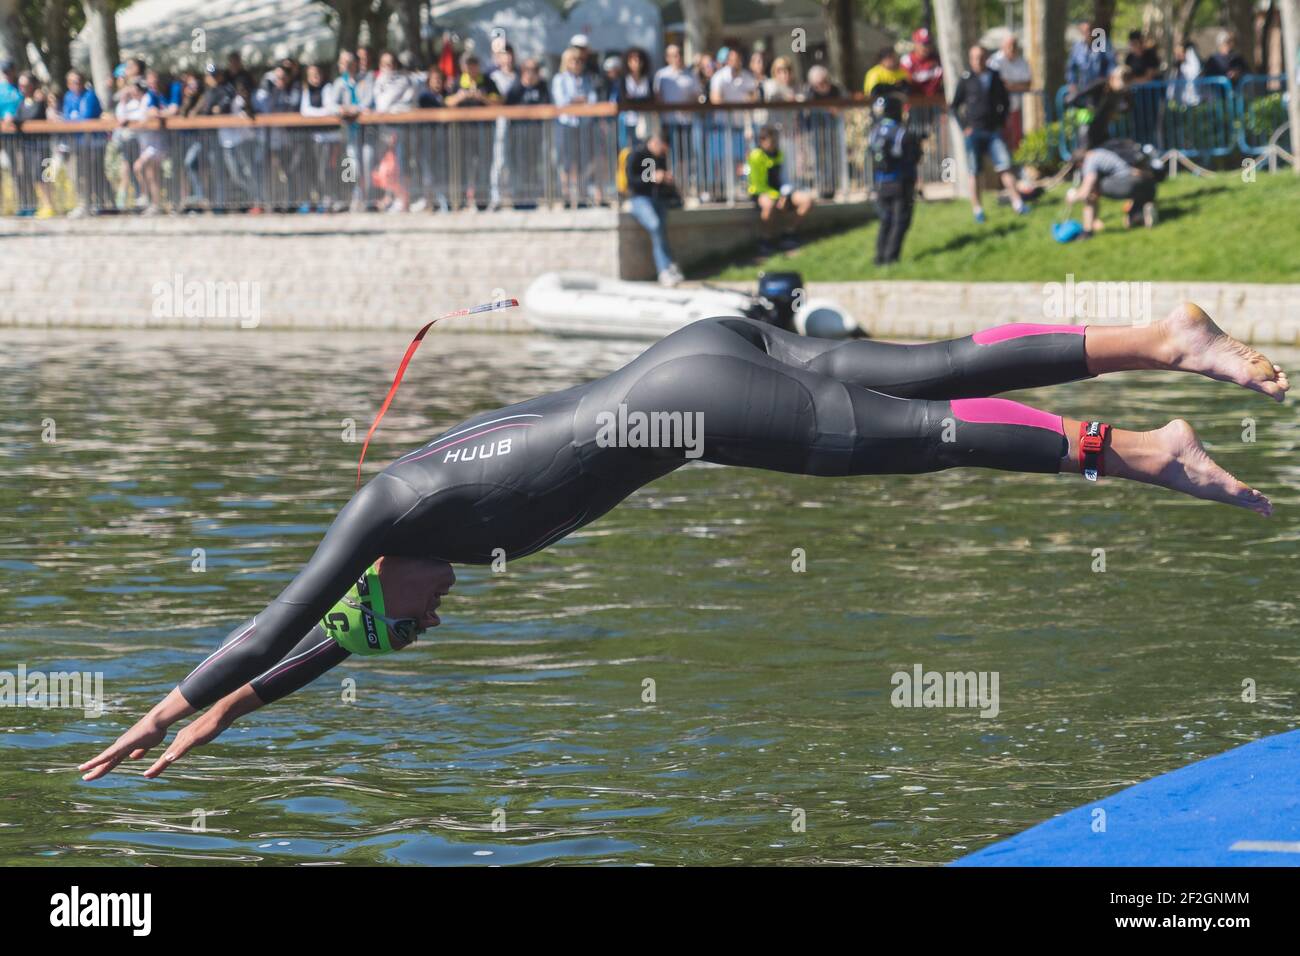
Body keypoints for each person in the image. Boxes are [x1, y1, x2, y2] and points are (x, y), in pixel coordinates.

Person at [80, 304, 1290, 780]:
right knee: (937, 365)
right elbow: (323, 648)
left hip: (700, 404)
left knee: (923, 431)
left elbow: (280, 621)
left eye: (416, 618)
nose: (436, 616)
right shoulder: (428, 541)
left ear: (383, 587)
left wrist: (168, 698)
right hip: (700, 351)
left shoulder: (392, 511)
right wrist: (230, 715)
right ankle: (1164, 339)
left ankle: (1142, 447)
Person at [951, 45, 1028, 222]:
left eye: (980, 57)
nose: (978, 61)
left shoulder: (994, 76)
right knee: (974, 171)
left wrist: (1001, 122)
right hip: (974, 132)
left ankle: (1018, 203)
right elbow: (954, 106)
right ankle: (977, 209)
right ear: (970, 59)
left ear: (986, 57)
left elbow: (1006, 102)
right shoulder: (966, 79)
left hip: (993, 131)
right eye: (974, 57)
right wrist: (965, 127)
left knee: (1004, 166)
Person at [868, 93, 921, 266]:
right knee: (900, 220)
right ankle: (891, 258)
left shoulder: (873, 132)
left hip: (880, 183)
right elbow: (913, 157)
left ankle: (879, 257)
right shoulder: (902, 132)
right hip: (900, 183)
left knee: (886, 220)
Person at [625, 132, 683, 286]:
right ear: (656, 143)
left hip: (657, 199)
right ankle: (665, 269)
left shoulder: (660, 158)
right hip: (640, 200)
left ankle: (668, 266)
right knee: (656, 226)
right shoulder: (636, 155)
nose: (663, 152)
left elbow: (660, 179)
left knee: (661, 231)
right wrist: (652, 177)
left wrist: (666, 179)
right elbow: (631, 181)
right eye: (662, 148)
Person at [747, 125, 813, 254]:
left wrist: (785, 195)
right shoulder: (756, 156)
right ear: (762, 141)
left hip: (780, 192)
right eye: (771, 141)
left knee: (807, 201)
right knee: (770, 206)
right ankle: (766, 239)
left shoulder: (780, 154)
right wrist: (777, 197)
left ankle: (789, 233)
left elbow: (785, 179)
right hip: (761, 192)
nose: (774, 144)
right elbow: (759, 185)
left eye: (775, 141)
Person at [1068, 144, 1160, 234]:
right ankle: (1140, 215)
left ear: (1079, 163)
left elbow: (1086, 190)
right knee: (1137, 202)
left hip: (1125, 184)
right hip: (1145, 183)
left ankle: (1088, 230)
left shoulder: (1090, 161)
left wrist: (1074, 197)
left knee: (1093, 189)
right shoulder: (1099, 152)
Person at [988, 34, 1031, 153]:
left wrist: (1008, 86)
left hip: (1015, 108)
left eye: (1014, 46)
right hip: (999, 109)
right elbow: (998, 85)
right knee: (1002, 139)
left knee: (1016, 139)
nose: (1012, 49)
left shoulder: (1022, 61)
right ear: (1002, 46)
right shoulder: (995, 61)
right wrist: (1015, 86)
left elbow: (1027, 84)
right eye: (1009, 46)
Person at [1067, 19, 1114, 94]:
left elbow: (1112, 63)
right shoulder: (1077, 47)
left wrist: (1109, 80)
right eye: (1084, 31)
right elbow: (1071, 68)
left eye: (1089, 30)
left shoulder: (1103, 44)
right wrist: (1072, 83)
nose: (1087, 33)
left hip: (1101, 88)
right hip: (1083, 88)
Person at [901, 28, 943, 97]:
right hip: (914, 102)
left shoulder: (938, 60)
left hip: (935, 101)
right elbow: (910, 85)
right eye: (924, 44)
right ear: (915, 44)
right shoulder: (906, 61)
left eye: (929, 43)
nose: (927, 47)